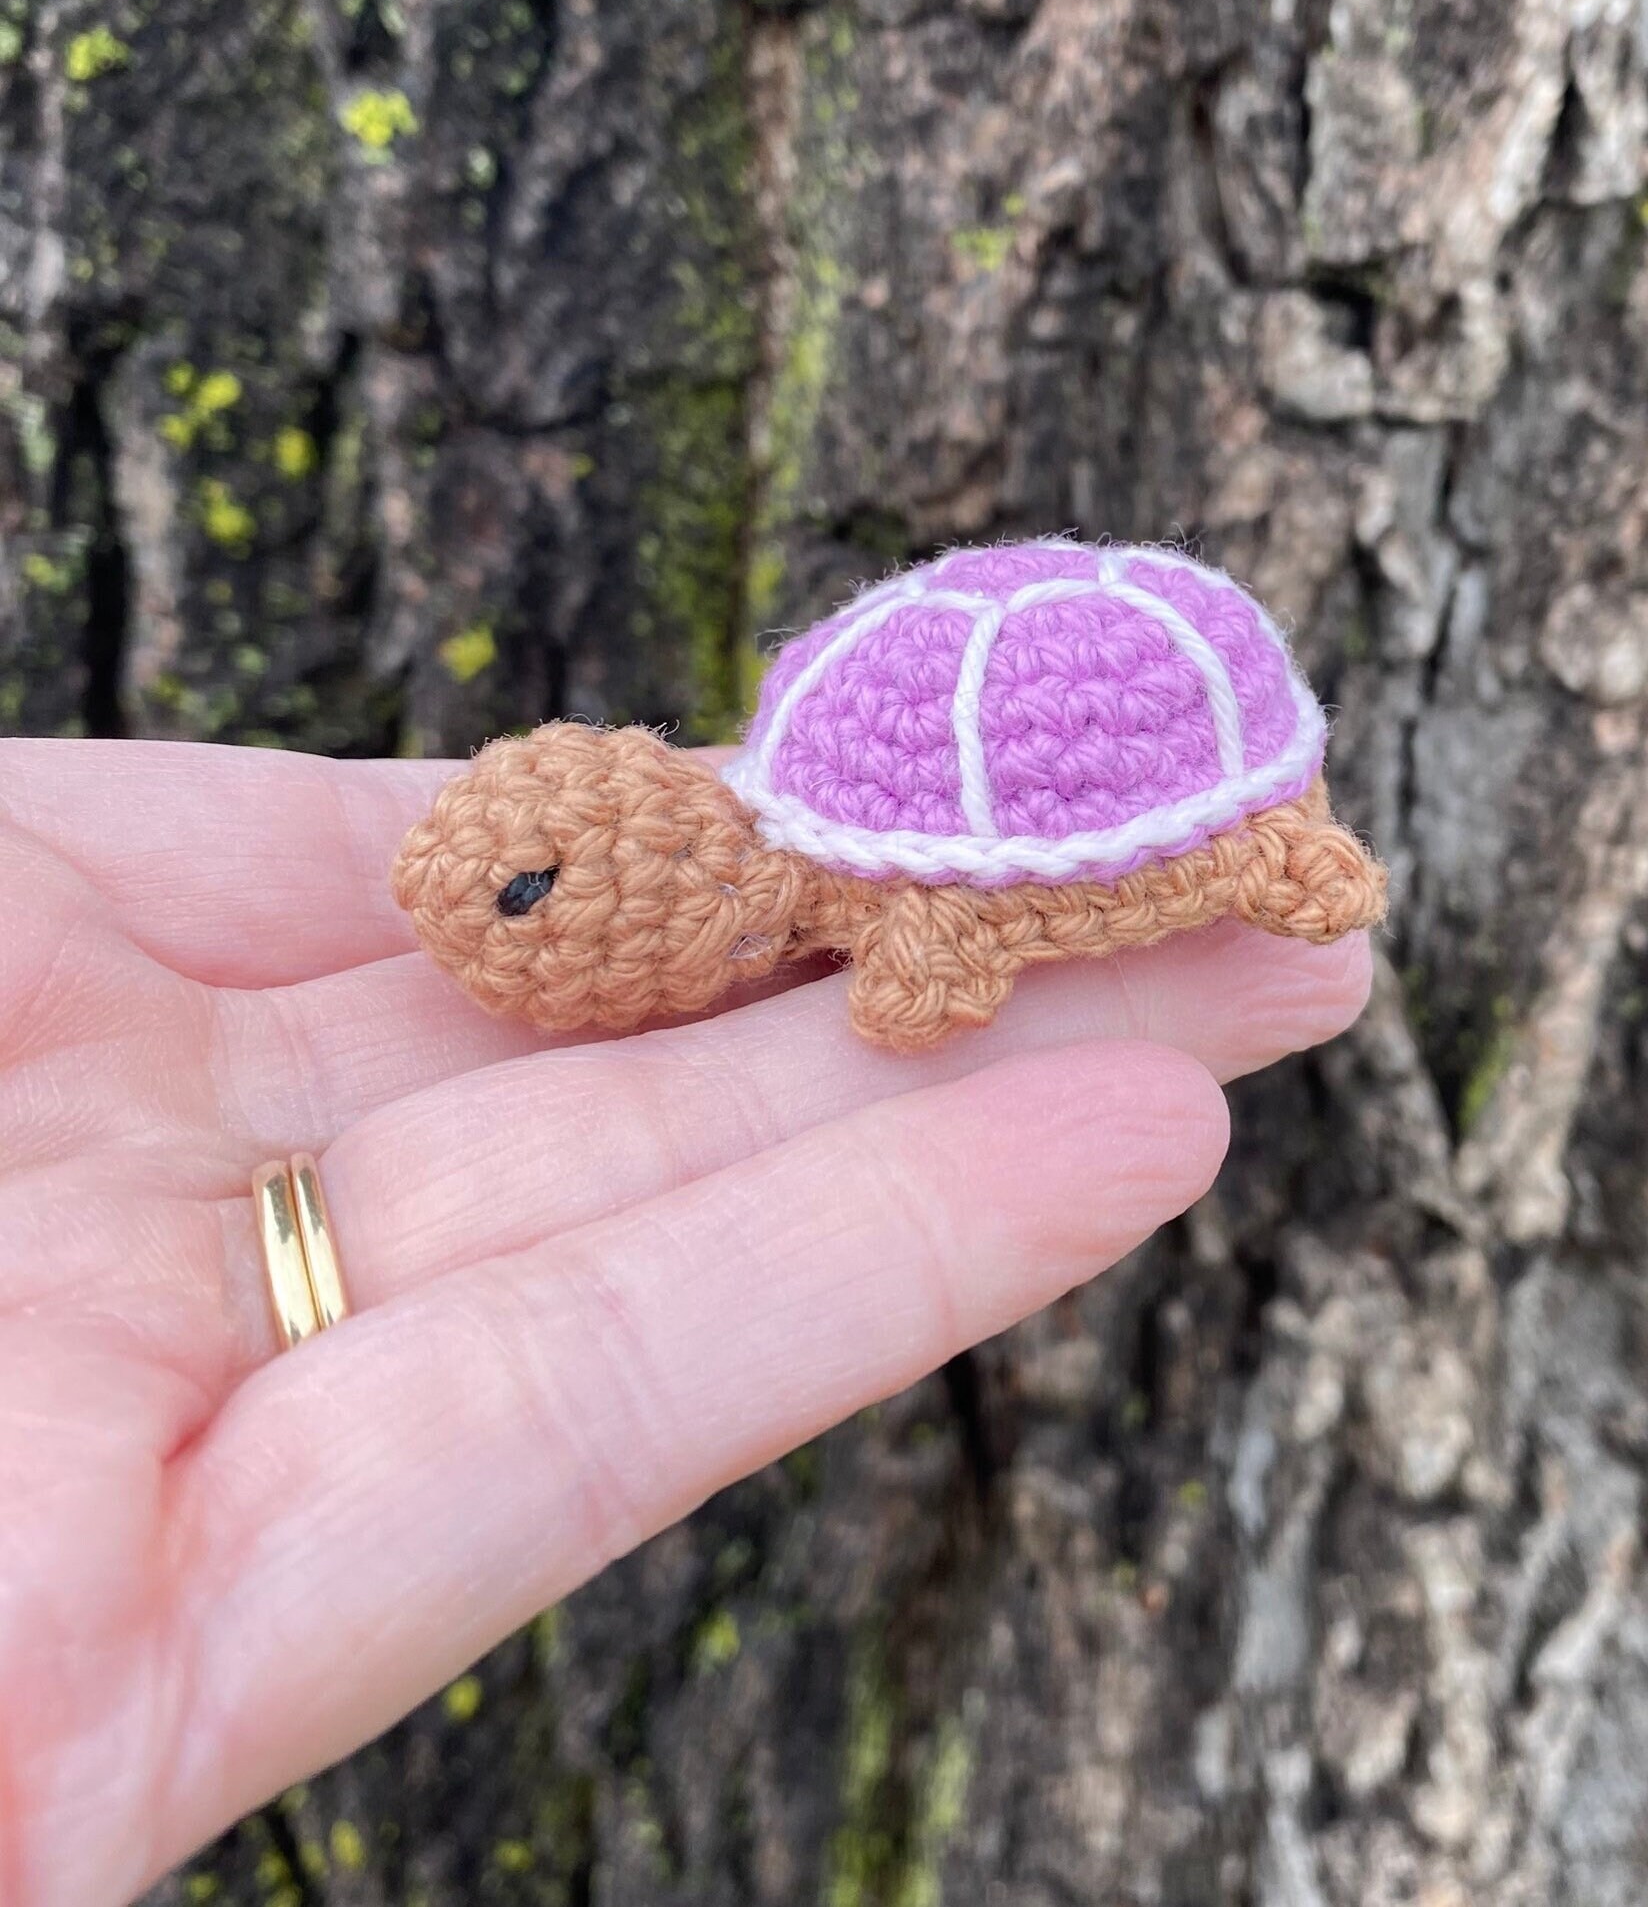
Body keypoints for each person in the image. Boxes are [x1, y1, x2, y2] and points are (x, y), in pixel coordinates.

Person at [0, 736, 1372, 1903]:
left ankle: (1267, 849)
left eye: (527, 897)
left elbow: (941, 947)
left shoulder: (846, 863)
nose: (477, 928)